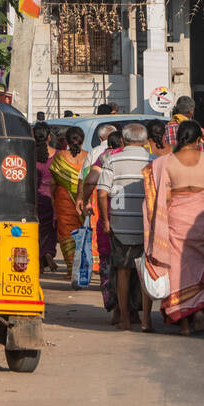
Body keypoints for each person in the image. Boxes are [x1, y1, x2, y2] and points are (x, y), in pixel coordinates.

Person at [142, 120, 204, 335]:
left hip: (176, 219)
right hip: (201, 219)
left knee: (177, 267)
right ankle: (198, 311)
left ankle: (184, 322)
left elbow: (166, 197)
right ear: (199, 138)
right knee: (200, 262)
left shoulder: (167, 162)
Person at [97, 124, 153, 333]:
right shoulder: (153, 161)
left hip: (120, 225)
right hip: (147, 226)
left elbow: (102, 193)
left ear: (124, 140)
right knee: (146, 273)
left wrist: (106, 220)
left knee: (122, 272)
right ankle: (146, 320)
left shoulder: (112, 160)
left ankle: (125, 320)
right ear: (145, 141)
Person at [79, 125, 124, 316]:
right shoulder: (142, 157)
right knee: (129, 264)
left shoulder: (104, 157)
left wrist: (84, 199)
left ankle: (114, 306)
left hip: (108, 215)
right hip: (134, 219)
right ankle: (132, 309)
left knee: (108, 262)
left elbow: (89, 180)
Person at [49, 126, 88, 280]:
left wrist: (53, 198)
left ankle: (72, 269)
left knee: (67, 234)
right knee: (83, 233)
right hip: (84, 200)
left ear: (66, 140)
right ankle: (84, 267)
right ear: (83, 140)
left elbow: (53, 182)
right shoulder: (88, 156)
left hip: (64, 199)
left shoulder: (60, 157)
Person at [33, 123, 58, 274]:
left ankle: (39, 261)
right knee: (50, 229)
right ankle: (48, 252)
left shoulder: (29, 155)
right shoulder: (58, 155)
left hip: (34, 198)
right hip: (53, 198)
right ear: (49, 136)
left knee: (36, 230)